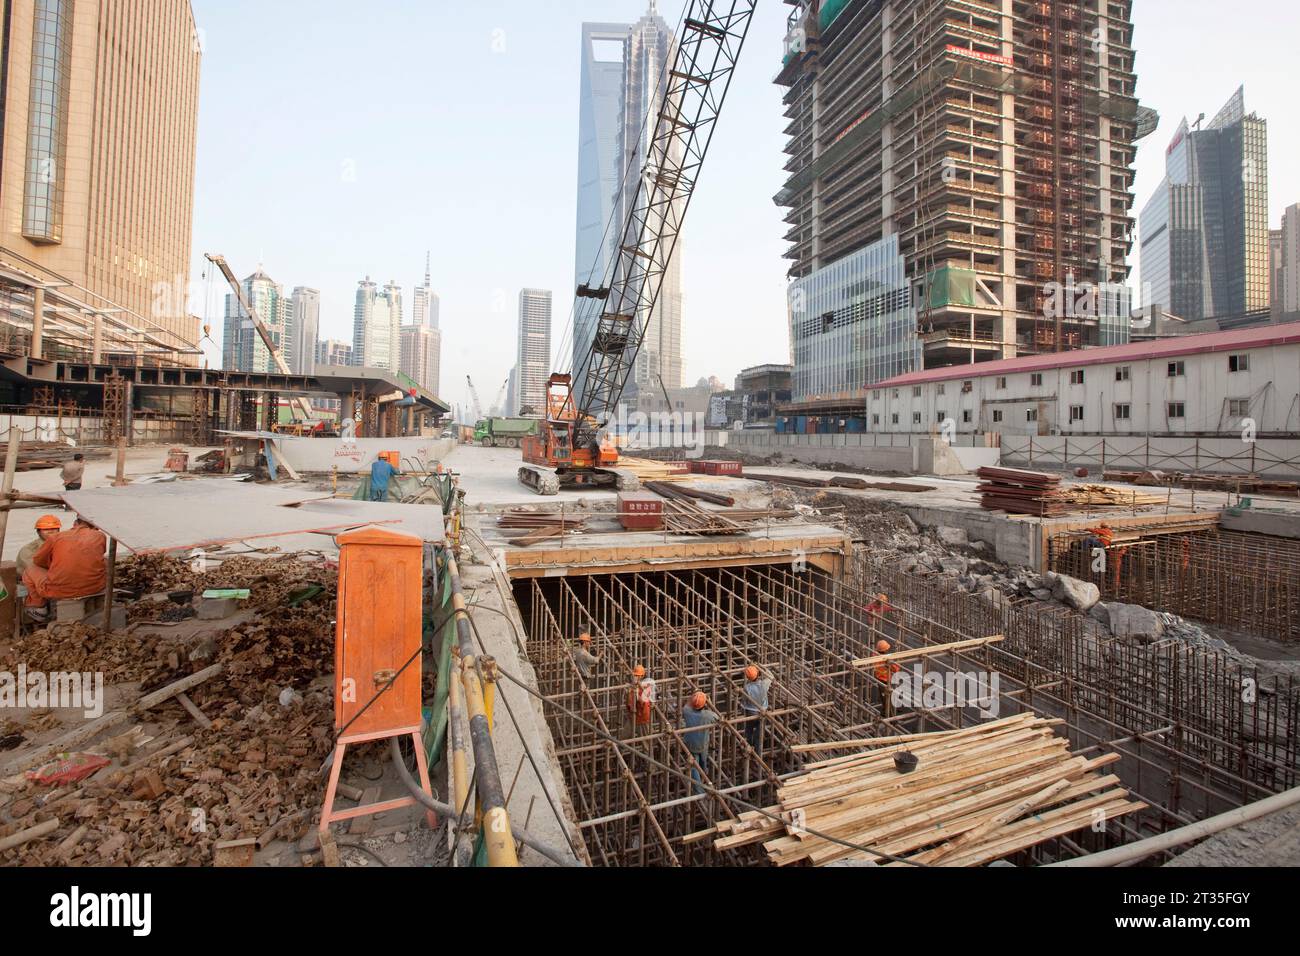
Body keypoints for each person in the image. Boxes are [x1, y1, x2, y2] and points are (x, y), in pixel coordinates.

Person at [22, 517, 107, 615]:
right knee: (104, 561)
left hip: (61, 591)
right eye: (46, 529)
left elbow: (38, 562)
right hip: (96, 587)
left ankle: (38, 606)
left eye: (53, 529)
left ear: (75, 524)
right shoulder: (100, 536)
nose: (50, 532)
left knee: (31, 569)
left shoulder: (56, 538)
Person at [681, 691, 719, 795]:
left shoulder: (687, 711)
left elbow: (687, 704)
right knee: (703, 762)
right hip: (702, 744)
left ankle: (698, 790)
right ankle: (704, 777)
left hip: (690, 743)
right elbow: (718, 718)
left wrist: (694, 695)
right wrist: (709, 703)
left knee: (694, 766)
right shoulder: (708, 715)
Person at [740, 665, 771, 753]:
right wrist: (763, 668)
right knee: (759, 733)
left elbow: (744, 702)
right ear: (758, 674)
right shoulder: (764, 684)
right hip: (762, 712)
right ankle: (758, 751)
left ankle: (748, 747)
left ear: (747, 677)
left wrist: (742, 709)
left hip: (750, 713)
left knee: (749, 731)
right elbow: (771, 676)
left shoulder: (747, 687)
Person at [873, 639, 902, 716]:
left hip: (879, 678)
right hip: (885, 680)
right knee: (887, 698)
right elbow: (896, 669)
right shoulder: (886, 659)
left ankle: (885, 711)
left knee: (884, 697)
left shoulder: (874, 655)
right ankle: (891, 717)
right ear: (885, 650)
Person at [626, 665, 655, 737]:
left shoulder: (647, 686)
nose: (636, 677)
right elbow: (629, 701)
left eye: (638, 675)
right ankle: (618, 747)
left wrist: (635, 691)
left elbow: (643, 701)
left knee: (646, 741)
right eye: (635, 675)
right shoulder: (634, 686)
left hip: (642, 717)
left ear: (642, 676)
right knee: (624, 737)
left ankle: (654, 744)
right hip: (633, 715)